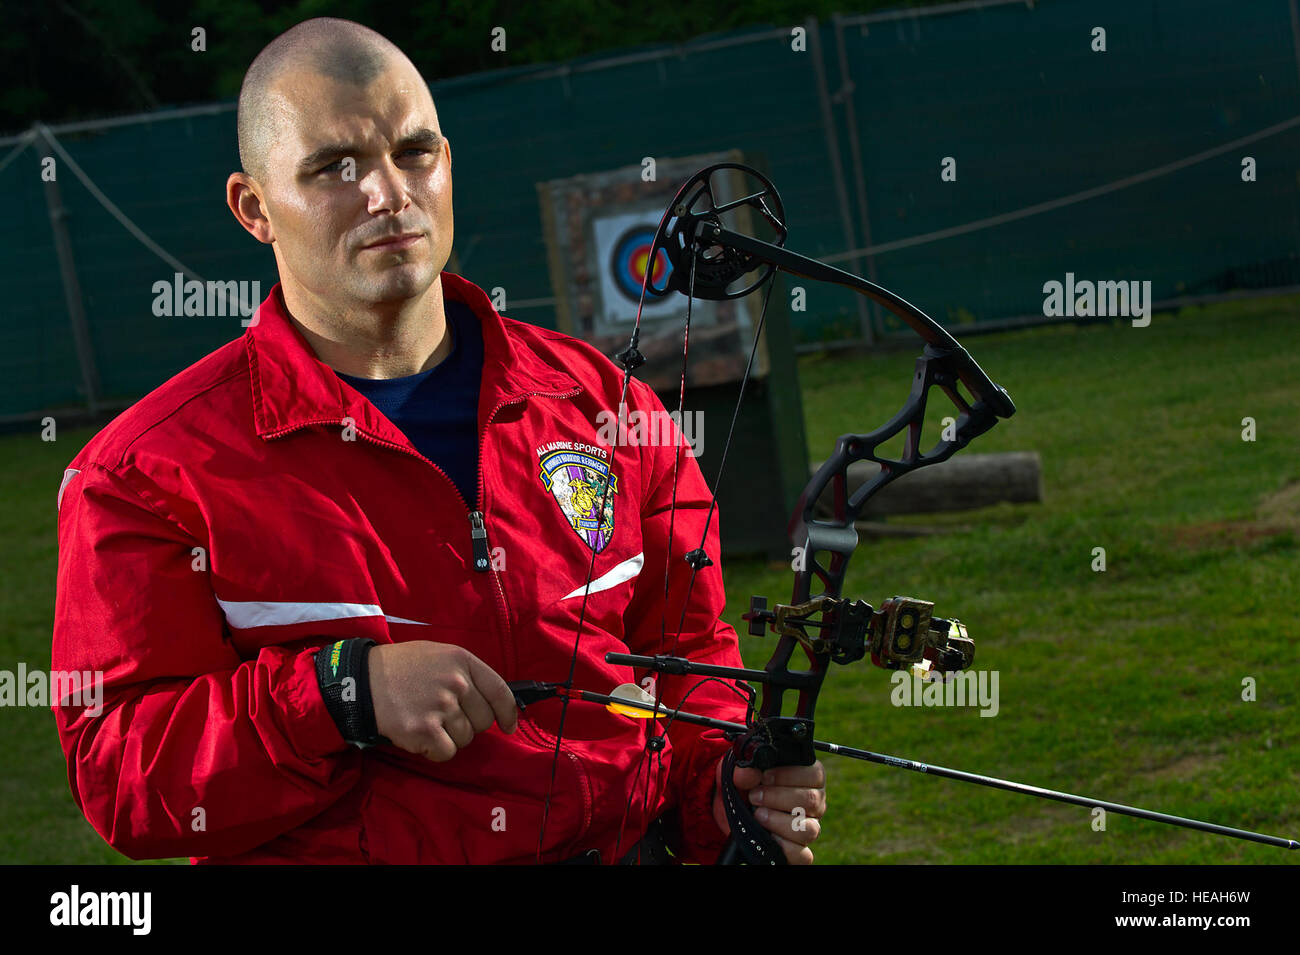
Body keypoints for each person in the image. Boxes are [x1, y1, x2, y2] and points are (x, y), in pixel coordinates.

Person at [51, 17, 825, 864]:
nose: (389, 193)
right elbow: (121, 772)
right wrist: (342, 692)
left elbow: (688, 658)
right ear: (254, 208)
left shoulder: (606, 404)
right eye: (334, 168)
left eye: (414, 153)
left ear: (448, 164)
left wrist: (725, 799)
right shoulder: (146, 471)